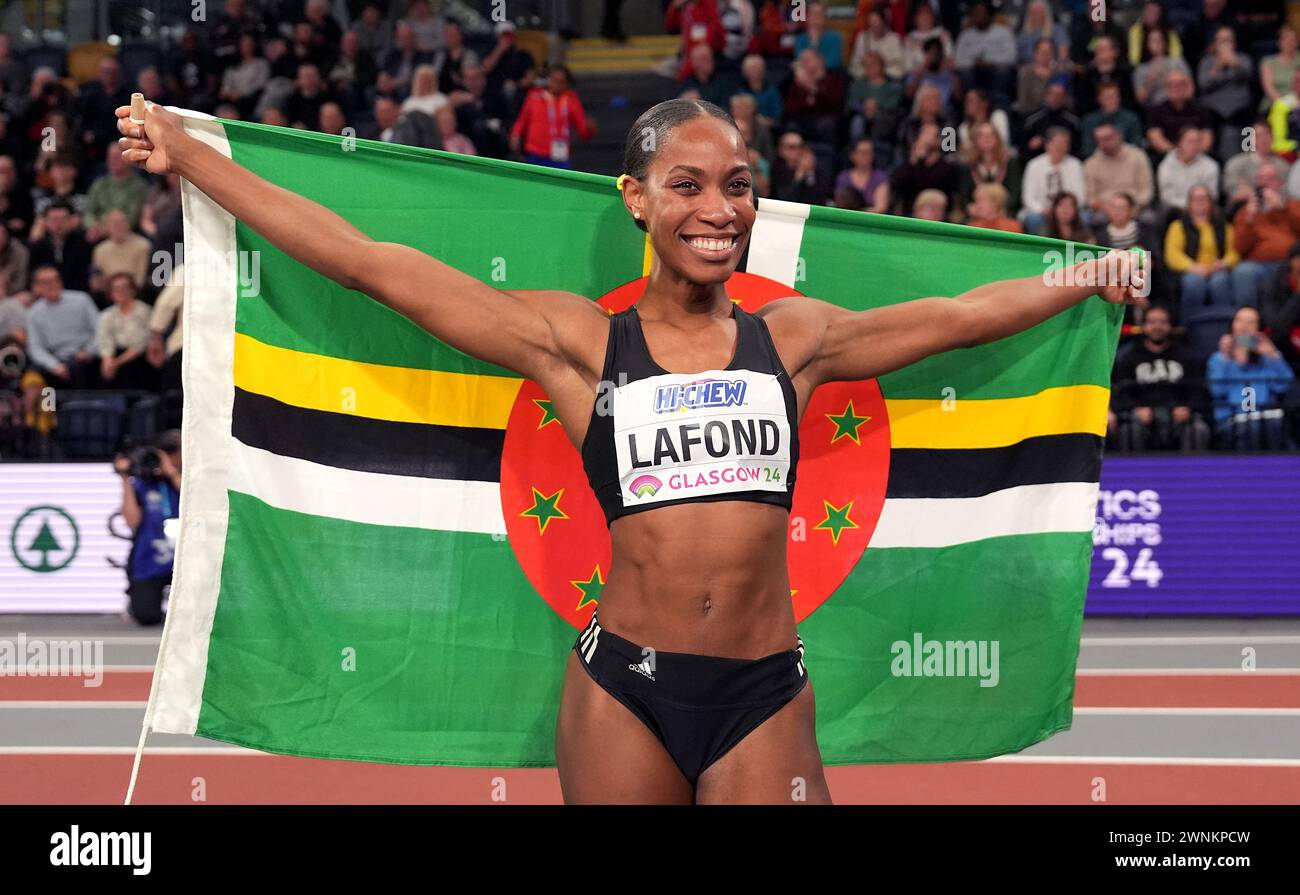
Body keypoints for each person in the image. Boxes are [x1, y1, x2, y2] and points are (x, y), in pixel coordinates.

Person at [116, 95, 1144, 805]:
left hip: (764, 693)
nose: (717, 211)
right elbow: (370, 266)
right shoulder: (575, 343)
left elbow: (960, 315)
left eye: (736, 186)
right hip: (624, 690)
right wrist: (193, 159)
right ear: (636, 199)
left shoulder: (794, 339)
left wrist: (1089, 272)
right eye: (687, 186)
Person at [1111, 304, 1212, 451]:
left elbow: (1198, 389)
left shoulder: (1187, 356)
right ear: (1143, 325)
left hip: (1178, 417)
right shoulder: (1127, 357)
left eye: (1162, 322)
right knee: (1128, 430)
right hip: (1141, 418)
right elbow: (1120, 391)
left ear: (1170, 326)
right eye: (1152, 322)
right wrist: (1135, 410)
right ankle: (1135, 473)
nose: (1157, 327)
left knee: (1197, 430)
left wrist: (1188, 408)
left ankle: (1192, 473)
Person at [114, 429, 182, 626]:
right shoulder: (141, 485)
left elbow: (201, 505)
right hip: (150, 561)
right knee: (146, 616)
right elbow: (132, 521)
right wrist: (125, 478)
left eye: (172, 454)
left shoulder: (186, 481)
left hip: (186, 559)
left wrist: (172, 473)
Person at [1207, 306, 1295, 449]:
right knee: (1253, 431)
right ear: (1232, 326)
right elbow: (1217, 391)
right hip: (1232, 421)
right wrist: (1226, 359)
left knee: (1280, 431)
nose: (1244, 327)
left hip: (1266, 418)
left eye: (1251, 322)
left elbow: (1283, 386)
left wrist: (1273, 356)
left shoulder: (1267, 357)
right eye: (1239, 321)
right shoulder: (1218, 358)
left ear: (1259, 329)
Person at [25, 265, 99, 389]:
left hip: (83, 355)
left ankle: (78, 406)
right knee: (32, 374)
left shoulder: (82, 300)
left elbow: (101, 331)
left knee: (76, 368)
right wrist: (54, 365)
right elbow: (35, 347)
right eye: (46, 282)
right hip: (55, 358)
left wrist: (89, 351)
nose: (52, 285)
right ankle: (44, 408)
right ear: (37, 287)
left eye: (56, 280)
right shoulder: (34, 312)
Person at [1164, 183, 1237, 307]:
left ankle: (1224, 323)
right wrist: (1193, 267)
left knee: (1220, 282)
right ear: (1189, 203)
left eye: (1204, 198)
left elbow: (1235, 251)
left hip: (1217, 270)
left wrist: (1223, 264)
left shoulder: (1224, 226)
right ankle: (1189, 324)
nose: (1200, 202)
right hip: (1191, 271)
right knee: (1194, 283)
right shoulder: (1178, 226)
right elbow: (1172, 254)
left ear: (1211, 202)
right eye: (1196, 199)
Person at [509, 66, 596, 170]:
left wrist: (590, 128)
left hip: (560, 156)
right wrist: (515, 134)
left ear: (567, 84)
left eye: (561, 81)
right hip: (535, 153)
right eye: (554, 80)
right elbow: (522, 120)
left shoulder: (571, 100)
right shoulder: (534, 96)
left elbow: (583, 132)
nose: (556, 84)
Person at [1020, 127, 1086, 234]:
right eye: (1057, 143)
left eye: (1065, 143)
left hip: (1068, 210)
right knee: (1032, 219)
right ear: (1047, 145)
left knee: (1085, 217)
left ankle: (1075, 248)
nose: (1060, 147)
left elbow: (1080, 196)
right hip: (1041, 211)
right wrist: (1042, 210)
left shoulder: (1075, 165)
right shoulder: (1034, 165)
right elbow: (1028, 197)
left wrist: (1065, 210)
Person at [96, 273, 155, 390]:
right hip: (115, 355)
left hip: (139, 357)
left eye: (124, 288)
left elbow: (142, 342)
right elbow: (105, 339)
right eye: (116, 289)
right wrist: (108, 361)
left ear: (133, 290)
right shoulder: (106, 315)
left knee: (132, 370)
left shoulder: (144, 312)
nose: (120, 292)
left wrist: (117, 363)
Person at [1156, 125, 1220, 213]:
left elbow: (1212, 195)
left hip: (1202, 209)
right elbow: (1166, 196)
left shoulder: (1210, 165)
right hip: (1174, 209)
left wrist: (1196, 206)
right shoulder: (1166, 165)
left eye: (1198, 141)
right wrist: (1189, 206)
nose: (1195, 145)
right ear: (1179, 143)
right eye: (1190, 141)